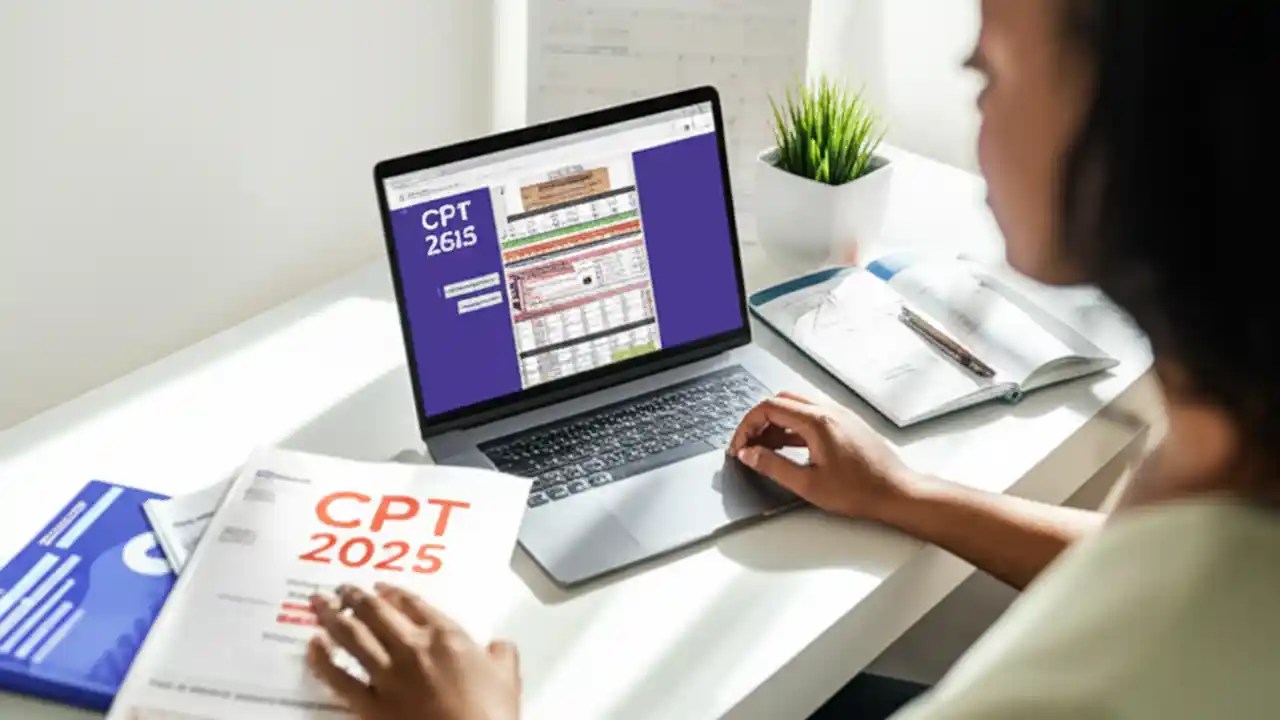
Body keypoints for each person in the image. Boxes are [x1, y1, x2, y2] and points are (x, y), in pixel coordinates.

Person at [303, 1, 1280, 717]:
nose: (972, 104)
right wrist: (908, 495)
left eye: (989, 76)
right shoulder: (1229, 474)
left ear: (1144, 123)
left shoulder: (1096, 680)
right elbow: (1122, 569)